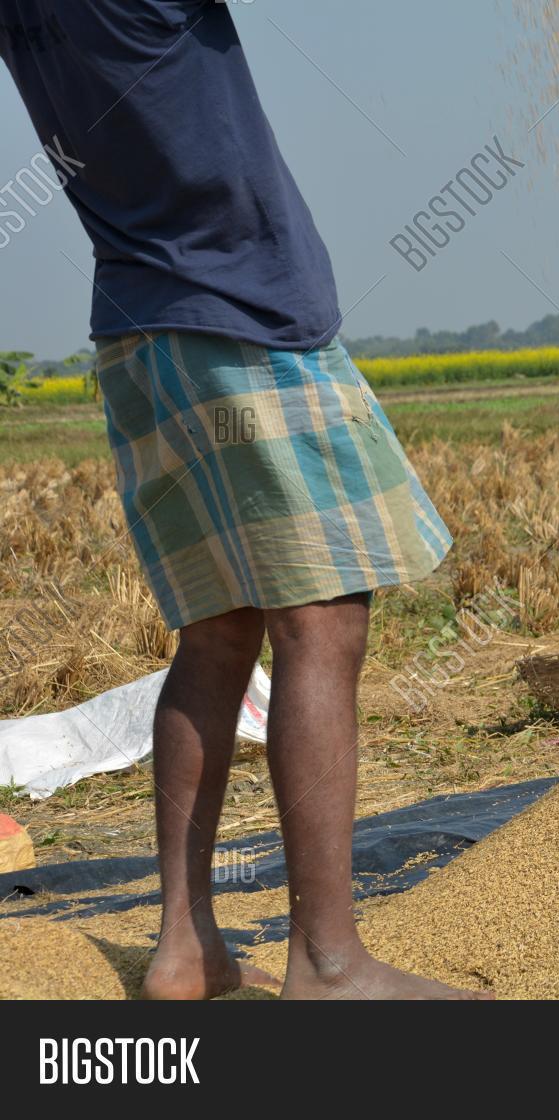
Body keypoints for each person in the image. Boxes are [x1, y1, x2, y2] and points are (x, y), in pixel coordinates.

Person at [0, 1, 488, 998]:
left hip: (136, 324)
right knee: (323, 615)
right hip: (244, 307)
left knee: (216, 630)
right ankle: (328, 961)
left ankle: (186, 948)